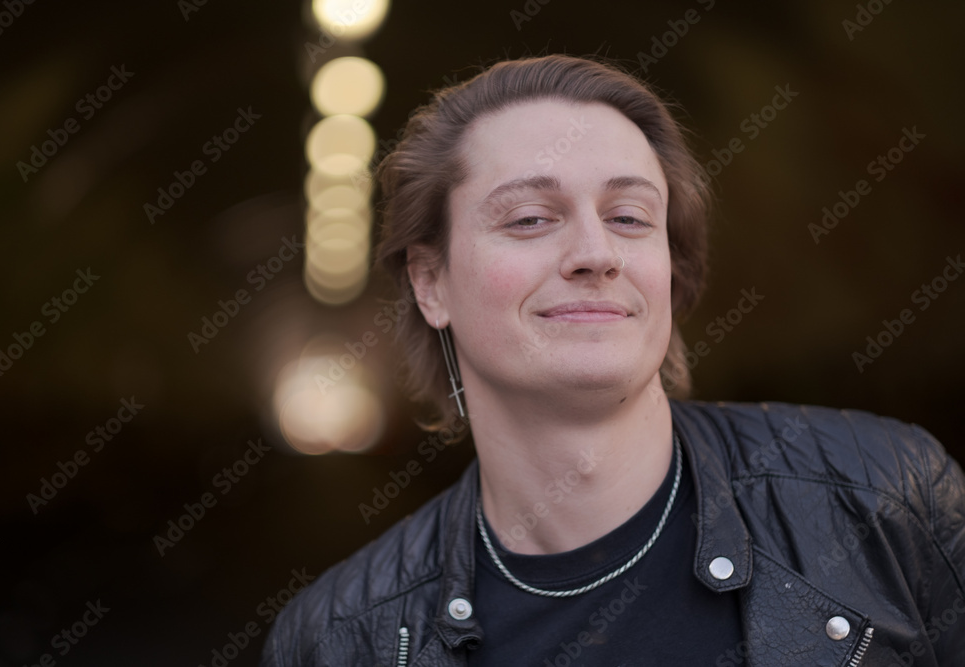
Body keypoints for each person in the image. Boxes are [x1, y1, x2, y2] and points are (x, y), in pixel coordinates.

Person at [262, 54, 965, 666]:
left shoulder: (885, 501)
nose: (596, 253)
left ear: (669, 268)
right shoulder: (335, 639)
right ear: (430, 281)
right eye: (530, 217)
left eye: (629, 216)